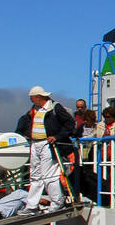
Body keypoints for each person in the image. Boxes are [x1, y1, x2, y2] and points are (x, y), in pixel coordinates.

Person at [14, 86, 75, 214]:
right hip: (35, 144)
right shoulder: (33, 110)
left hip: (48, 144)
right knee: (35, 175)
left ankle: (57, 202)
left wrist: (57, 136)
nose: (31, 100)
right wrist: (26, 134)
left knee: (49, 174)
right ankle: (32, 205)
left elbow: (69, 124)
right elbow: (26, 122)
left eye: (32, 98)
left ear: (38, 97)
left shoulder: (55, 107)